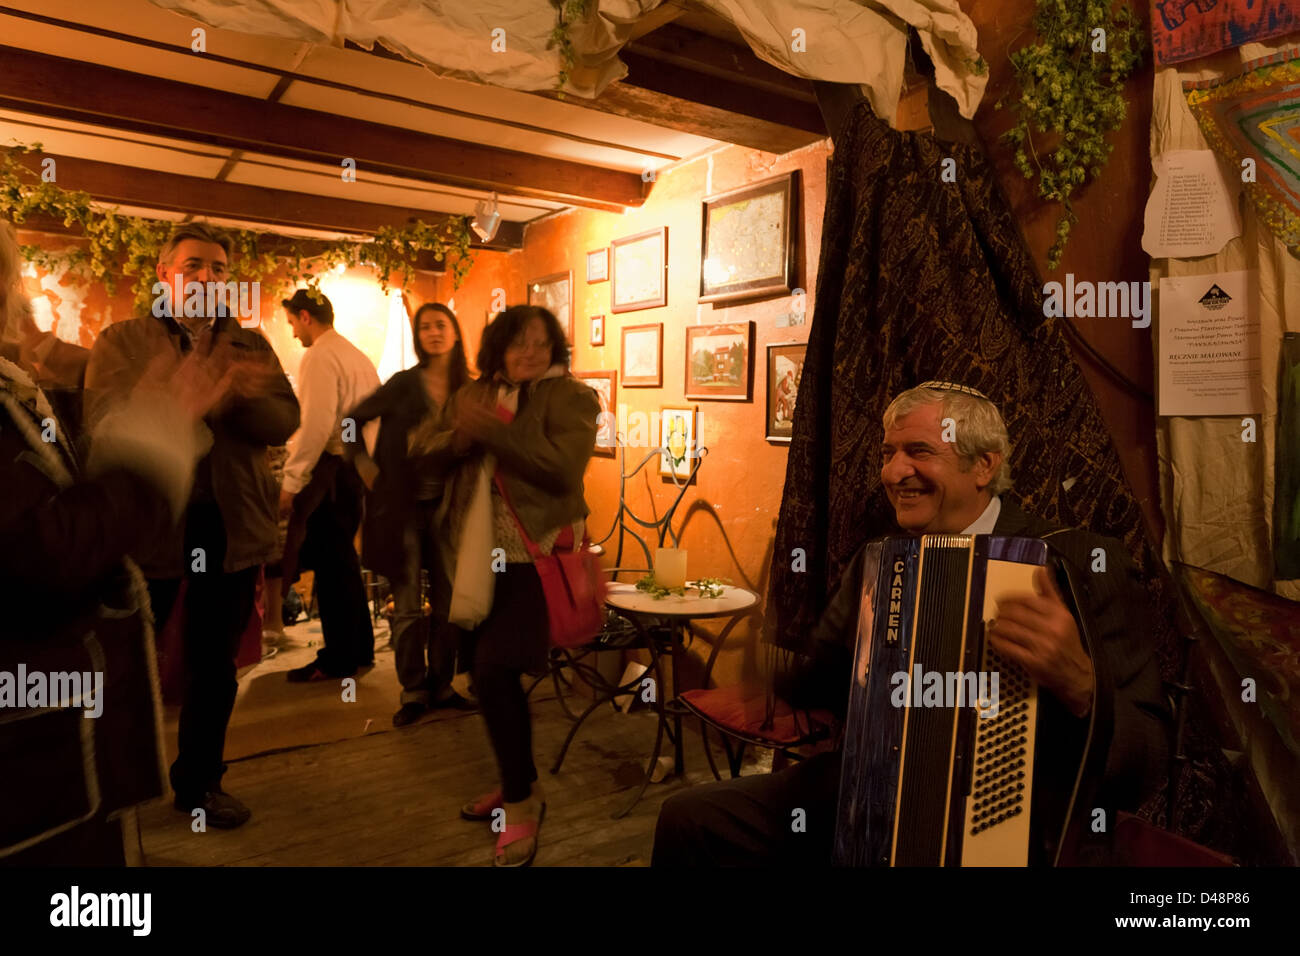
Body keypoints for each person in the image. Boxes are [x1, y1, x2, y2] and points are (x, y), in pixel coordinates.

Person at [651, 382, 1171, 866]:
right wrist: (851, 656)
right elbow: (815, 689)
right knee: (693, 817)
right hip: (873, 793)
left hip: (1019, 816)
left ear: (984, 465)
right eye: (887, 453)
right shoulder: (879, 558)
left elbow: (1148, 759)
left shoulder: (1079, 561)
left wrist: (1081, 685)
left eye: (919, 452)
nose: (894, 473)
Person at [83, 222, 300, 830]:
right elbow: (101, 427)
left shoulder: (251, 345)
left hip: (231, 528)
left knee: (215, 666)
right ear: (164, 275)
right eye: (194, 265)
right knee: (125, 664)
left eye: (219, 268)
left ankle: (200, 784)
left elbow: (287, 416)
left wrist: (232, 396)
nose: (208, 277)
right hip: (149, 526)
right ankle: (114, 789)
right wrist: (177, 401)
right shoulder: (122, 340)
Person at [419, 305, 598, 867]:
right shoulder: (472, 395)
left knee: (496, 674)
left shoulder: (571, 397)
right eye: (518, 344)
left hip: (531, 558)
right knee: (480, 676)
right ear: (497, 348)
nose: (531, 354)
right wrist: (461, 441)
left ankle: (522, 804)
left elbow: (563, 469)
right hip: (470, 562)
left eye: (542, 345)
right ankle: (516, 779)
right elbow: (421, 452)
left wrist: (494, 432)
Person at [343, 302, 474, 725]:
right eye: (425, 327)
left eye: (441, 325)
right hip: (401, 510)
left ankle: (442, 683)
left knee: (450, 604)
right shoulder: (403, 384)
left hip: (450, 509)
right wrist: (363, 465)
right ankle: (412, 690)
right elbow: (350, 421)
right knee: (406, 606)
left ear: (455, 332)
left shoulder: (469, 390)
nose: (433, 332)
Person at [279, 288, 381, 682]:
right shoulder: (354, 355)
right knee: (343, 563)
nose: (292, 334)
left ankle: (338, 659)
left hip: (333, 472)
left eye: (292, 323)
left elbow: (317, 427)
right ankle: (359, 650)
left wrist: (291, 481)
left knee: (331, 566)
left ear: (306, 317)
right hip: (355, 470)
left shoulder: (320, 356)